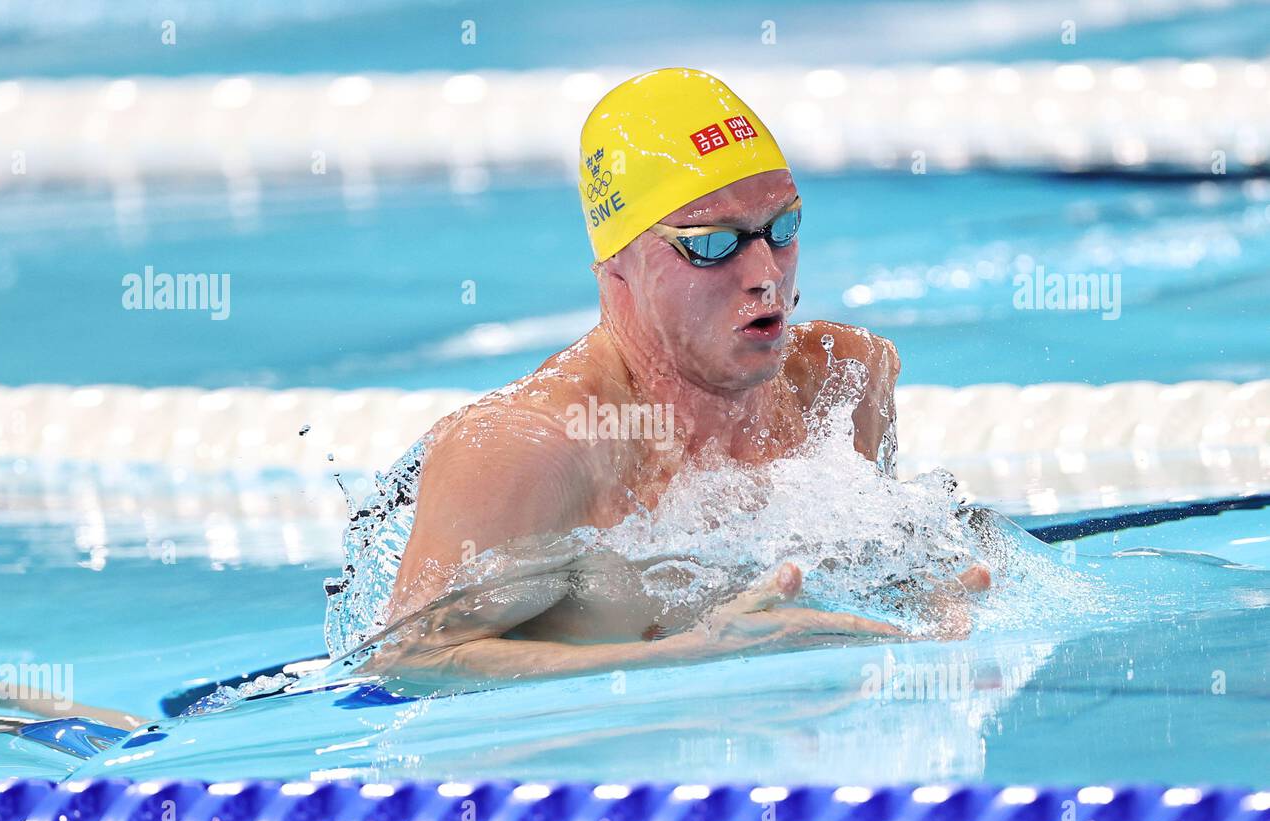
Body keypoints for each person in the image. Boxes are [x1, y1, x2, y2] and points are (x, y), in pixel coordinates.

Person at [357, 67, 989, 689]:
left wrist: (919, 600)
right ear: (617, 267)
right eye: (713, 244)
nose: (766, 273)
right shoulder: (529, 450)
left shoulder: (843, 380)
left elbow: (865, 578)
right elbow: (408, 665)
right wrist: (694, 655)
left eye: (784, 227)